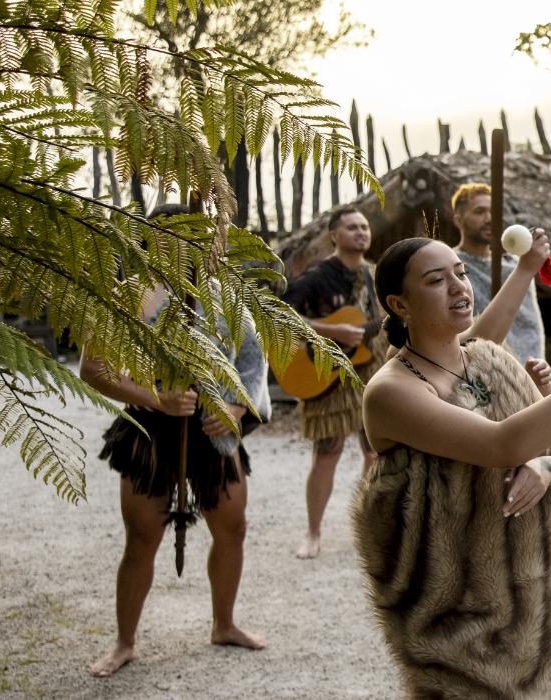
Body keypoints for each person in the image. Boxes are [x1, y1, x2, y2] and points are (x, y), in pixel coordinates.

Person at [352, 233, 551, 697]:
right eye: (436, 280)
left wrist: (546, 472)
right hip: (459, 612)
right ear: (399, 305)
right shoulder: (391, 392)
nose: (459, 287)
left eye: (461, 273)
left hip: (544, 601)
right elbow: (502, 445)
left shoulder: (492, 360)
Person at [83, 203, 269, 677]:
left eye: (191, 232)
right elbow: (94, 370)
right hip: (151, 428)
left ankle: (223, 623)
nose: (181, 241)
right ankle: (124, 642)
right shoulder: (125, 294)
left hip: (213, 429)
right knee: (142, 536)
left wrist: (236, 407)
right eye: (168, 233)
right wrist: (156, 398)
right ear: (149, 238)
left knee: (233, 528)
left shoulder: (226, 294)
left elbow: (253, 362)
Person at [280, 206, 379, 560]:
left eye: (365, 226)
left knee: (376, 453)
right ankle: (313, 532)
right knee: (327, 453)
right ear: (334, 235)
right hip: (326, 373)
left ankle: (366, 524)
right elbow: (279, 314)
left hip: (369, 374)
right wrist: (331, 330)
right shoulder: (317, 277)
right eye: (352, 227)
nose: (361, 233)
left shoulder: (373, 275)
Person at [449, 183, 548, 365]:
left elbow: (531, 326)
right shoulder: (450, 266)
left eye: (493, 211)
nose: (489, 219)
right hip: (481, 368)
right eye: (479, 212)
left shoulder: (515, 264)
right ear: (458, 219)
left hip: (530, 369)